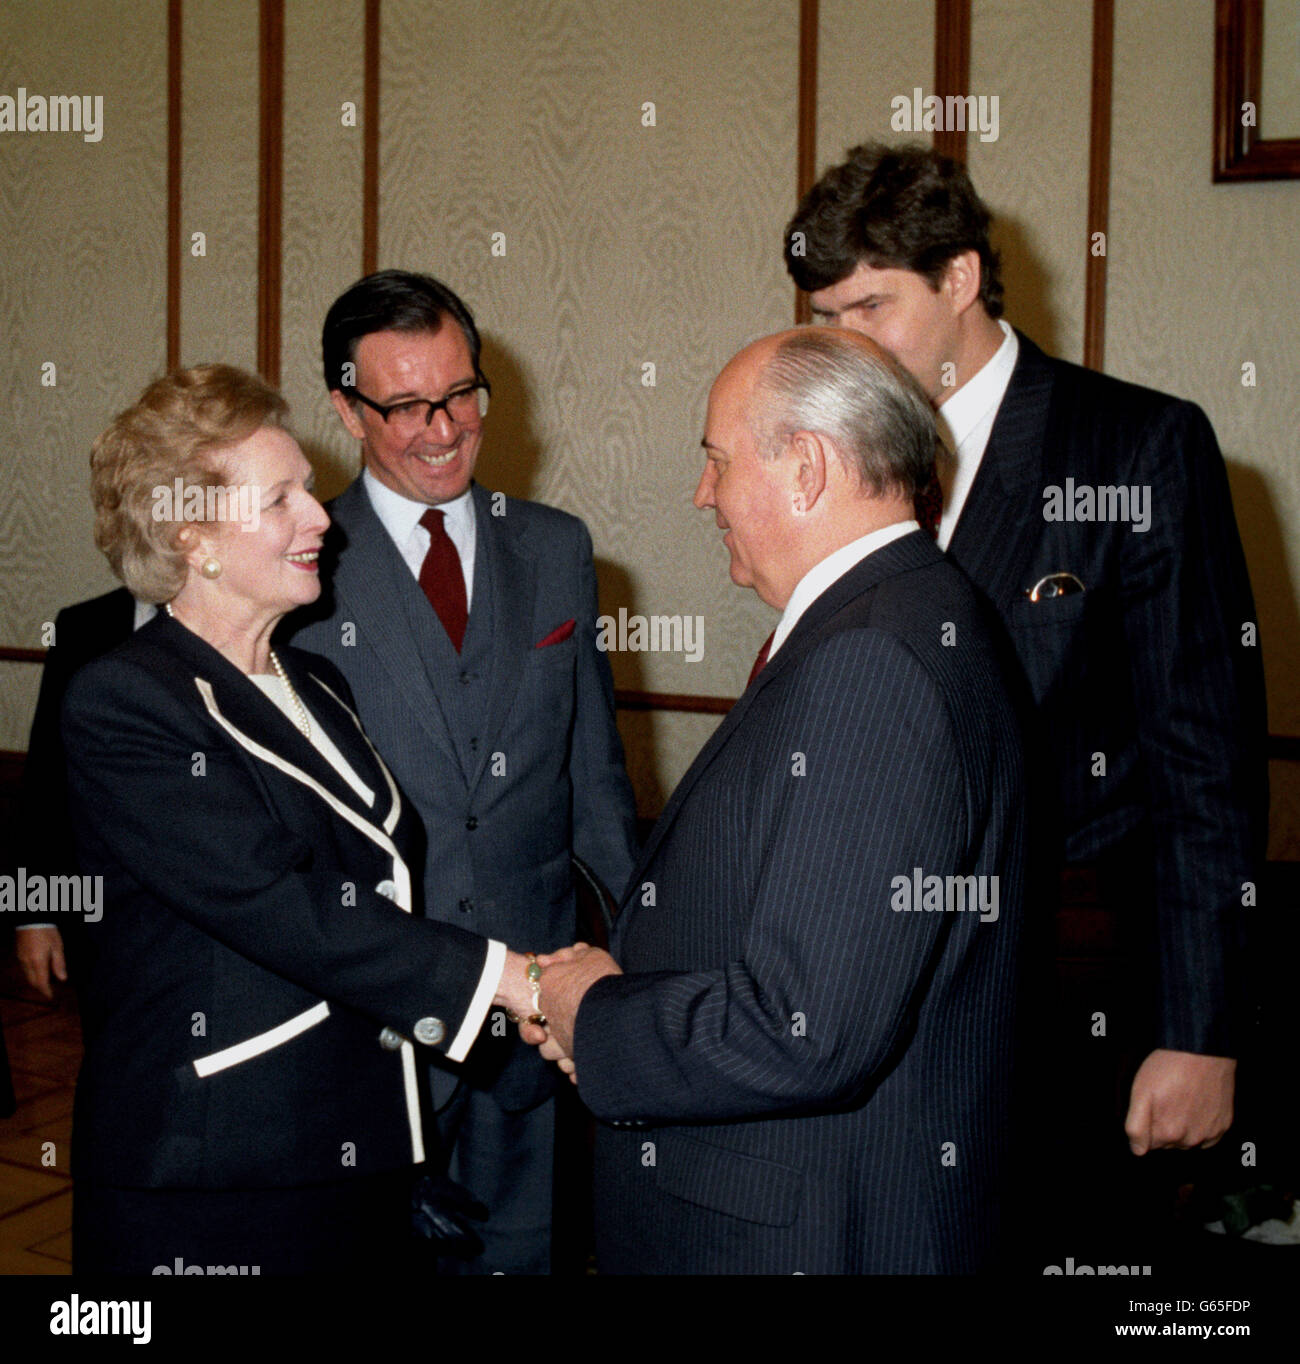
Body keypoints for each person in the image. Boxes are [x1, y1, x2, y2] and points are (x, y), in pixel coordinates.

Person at [783, 142, 1268, 1264]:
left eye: (870, 306)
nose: (843, 345)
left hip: (1071, 990)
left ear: (959, 278)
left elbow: (1208, 767)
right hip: (867, 994)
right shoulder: (831, 457)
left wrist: (1199, 1035)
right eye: (825, 314)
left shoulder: (1138, 444)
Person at [525, 328, 1026, 1273]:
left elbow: (808, 1028)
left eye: (716, 461)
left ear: (806, 467)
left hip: (800, 1226)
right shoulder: (912, 610)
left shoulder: (872, 660)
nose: (701, 494)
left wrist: (598, 1012)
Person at [62, 364, 544, 1274]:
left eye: (309, 494)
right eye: (279, 499)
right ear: (189, 535)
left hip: (352, 1143)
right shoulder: (126, 701)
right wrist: (511, 982)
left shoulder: (316, 681)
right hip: (216, 1172)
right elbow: (280, 904)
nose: (322, 517)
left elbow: (378, 889)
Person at [287, 271, 638, 1274]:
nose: (441, 428)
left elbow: (595, 783)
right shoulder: (298, 564)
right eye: (403, 405)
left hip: (532, 1026)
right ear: (346, 409)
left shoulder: (560, 550)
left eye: (460, 394)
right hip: (370, 1028)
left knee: (521, 1257)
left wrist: (644, 962)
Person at [13, 586, 137, 998]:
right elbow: (45, 772)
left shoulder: (245, 614)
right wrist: (32, 914)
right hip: (99, 914)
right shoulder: (82, 624)